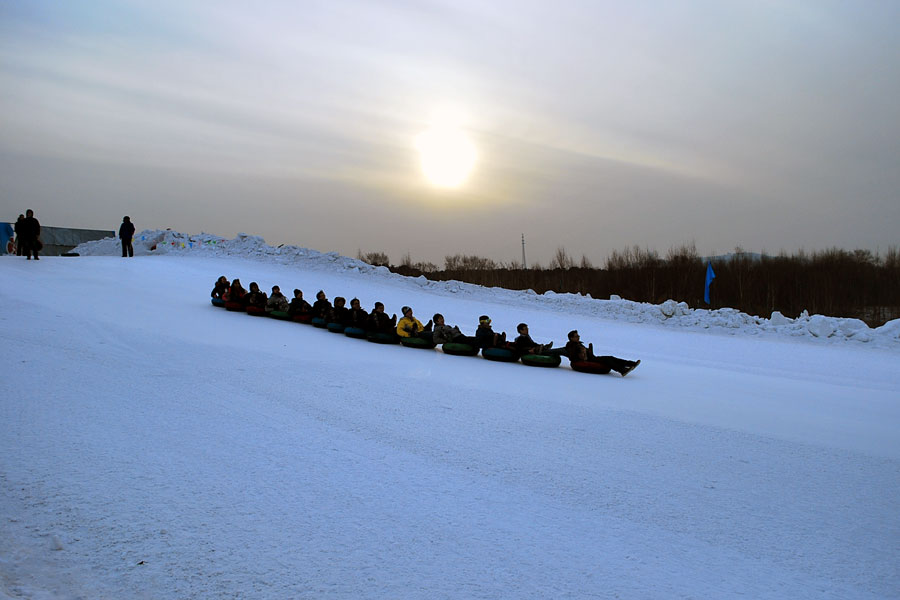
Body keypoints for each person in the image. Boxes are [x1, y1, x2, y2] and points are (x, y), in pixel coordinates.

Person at [564, 330, 640, 376]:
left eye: (578, 336)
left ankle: (630, 363)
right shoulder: (571, 346)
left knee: (610, 357)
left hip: (592, 358)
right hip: (588, 361)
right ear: (571, 338)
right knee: (607, 360)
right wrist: (582, 354)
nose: (579, 337)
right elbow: (572, 357)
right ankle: (622, 370)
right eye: (576, 336)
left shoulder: (578, 344)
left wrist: (588, 351)